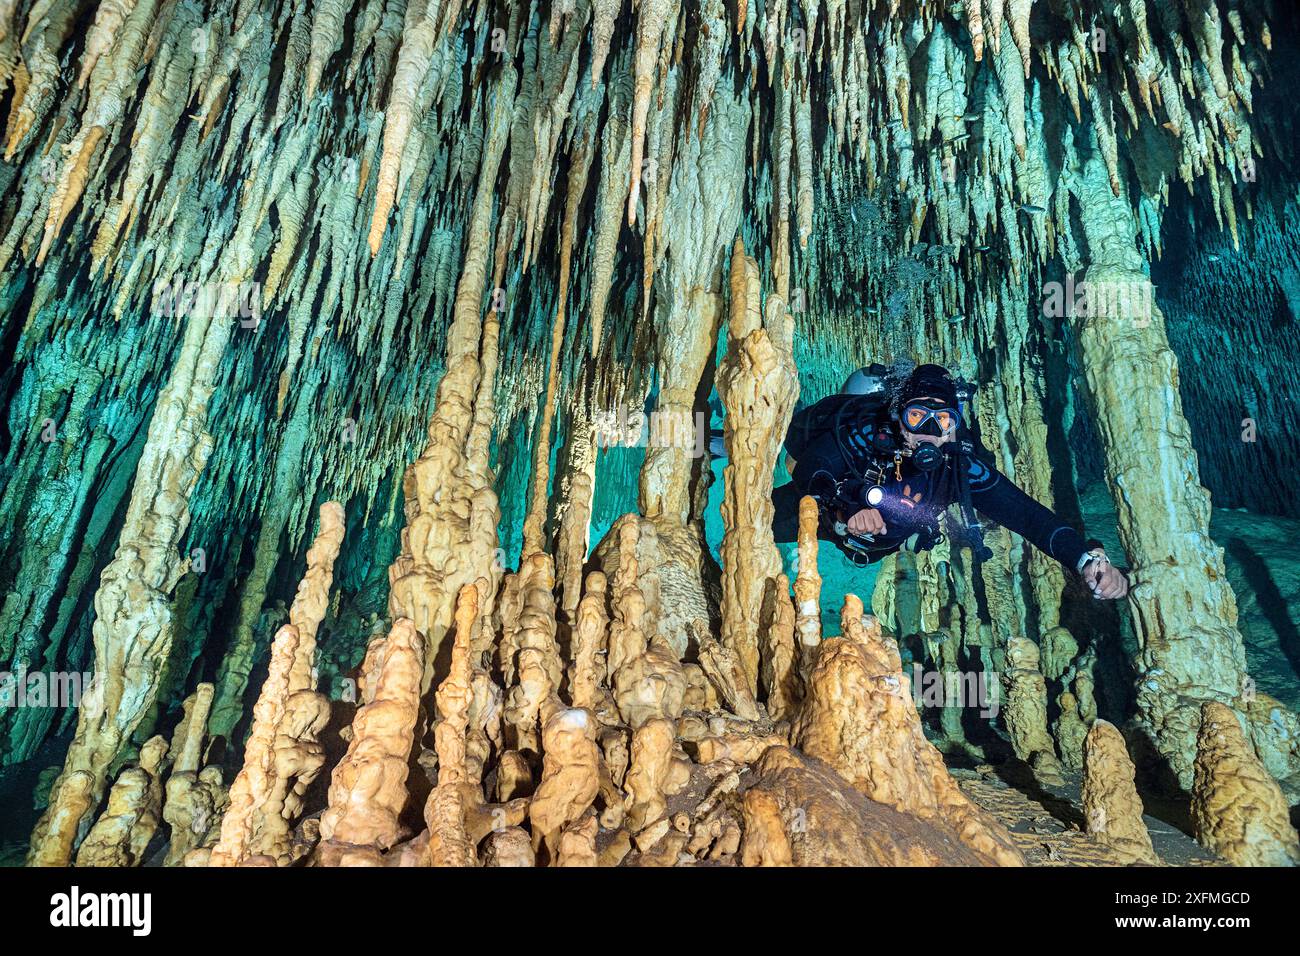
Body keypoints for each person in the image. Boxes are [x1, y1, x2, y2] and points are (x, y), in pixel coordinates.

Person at [772, 362, 1129, 600]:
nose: (928, 432)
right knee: (752, 526)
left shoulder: (959, 467)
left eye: (941, 421)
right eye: (916, 416)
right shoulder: (867, 432)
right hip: (820, 515)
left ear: (954, 425)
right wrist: (846, 505)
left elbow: (1028, 517)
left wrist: (1085, 559)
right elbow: (813, 466)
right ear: (899, 418)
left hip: (884, 544)